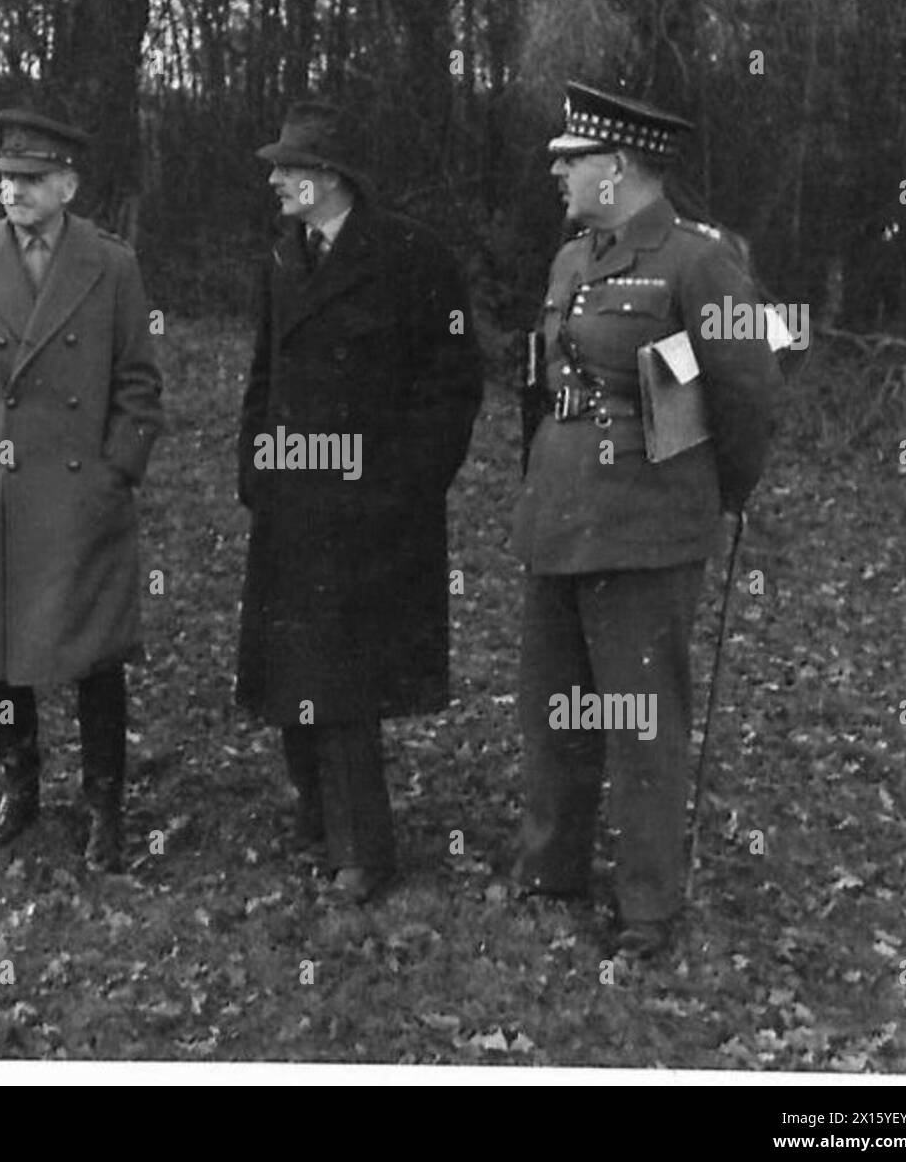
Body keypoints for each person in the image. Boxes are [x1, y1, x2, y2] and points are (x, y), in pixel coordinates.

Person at [511, 82, 782, 957]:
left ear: (616, 167)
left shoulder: (698, 262)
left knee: (639, 719)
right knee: (555, 708)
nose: (558, 173)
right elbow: (542, 387)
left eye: (572, 160)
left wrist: (717, 496)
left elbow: (748, 390)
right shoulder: (570, 260)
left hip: (647, 526)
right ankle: (552, 876)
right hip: (560, 517)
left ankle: (646, 908)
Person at [236, 100, 483, 904]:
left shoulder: (414, 258)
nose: (274, 181)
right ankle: (316, 818)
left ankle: (362, 848)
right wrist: (255, 469)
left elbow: (452, 389)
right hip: (291, 499)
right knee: (291, 670)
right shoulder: (285, 256)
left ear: (330, 178)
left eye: (288, 169)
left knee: (345, 682)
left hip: (370, 507)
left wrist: (401, 488)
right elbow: (264, 377)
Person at [0, 107, 163, 872]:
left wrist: (114, 471)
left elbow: (138, 385)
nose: (12, 194)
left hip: (78, 490)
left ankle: (104, 806)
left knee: (95, 655)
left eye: (29, 180)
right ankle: (18, 787)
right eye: (5, 180)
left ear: (68, 184)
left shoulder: (111, 265)